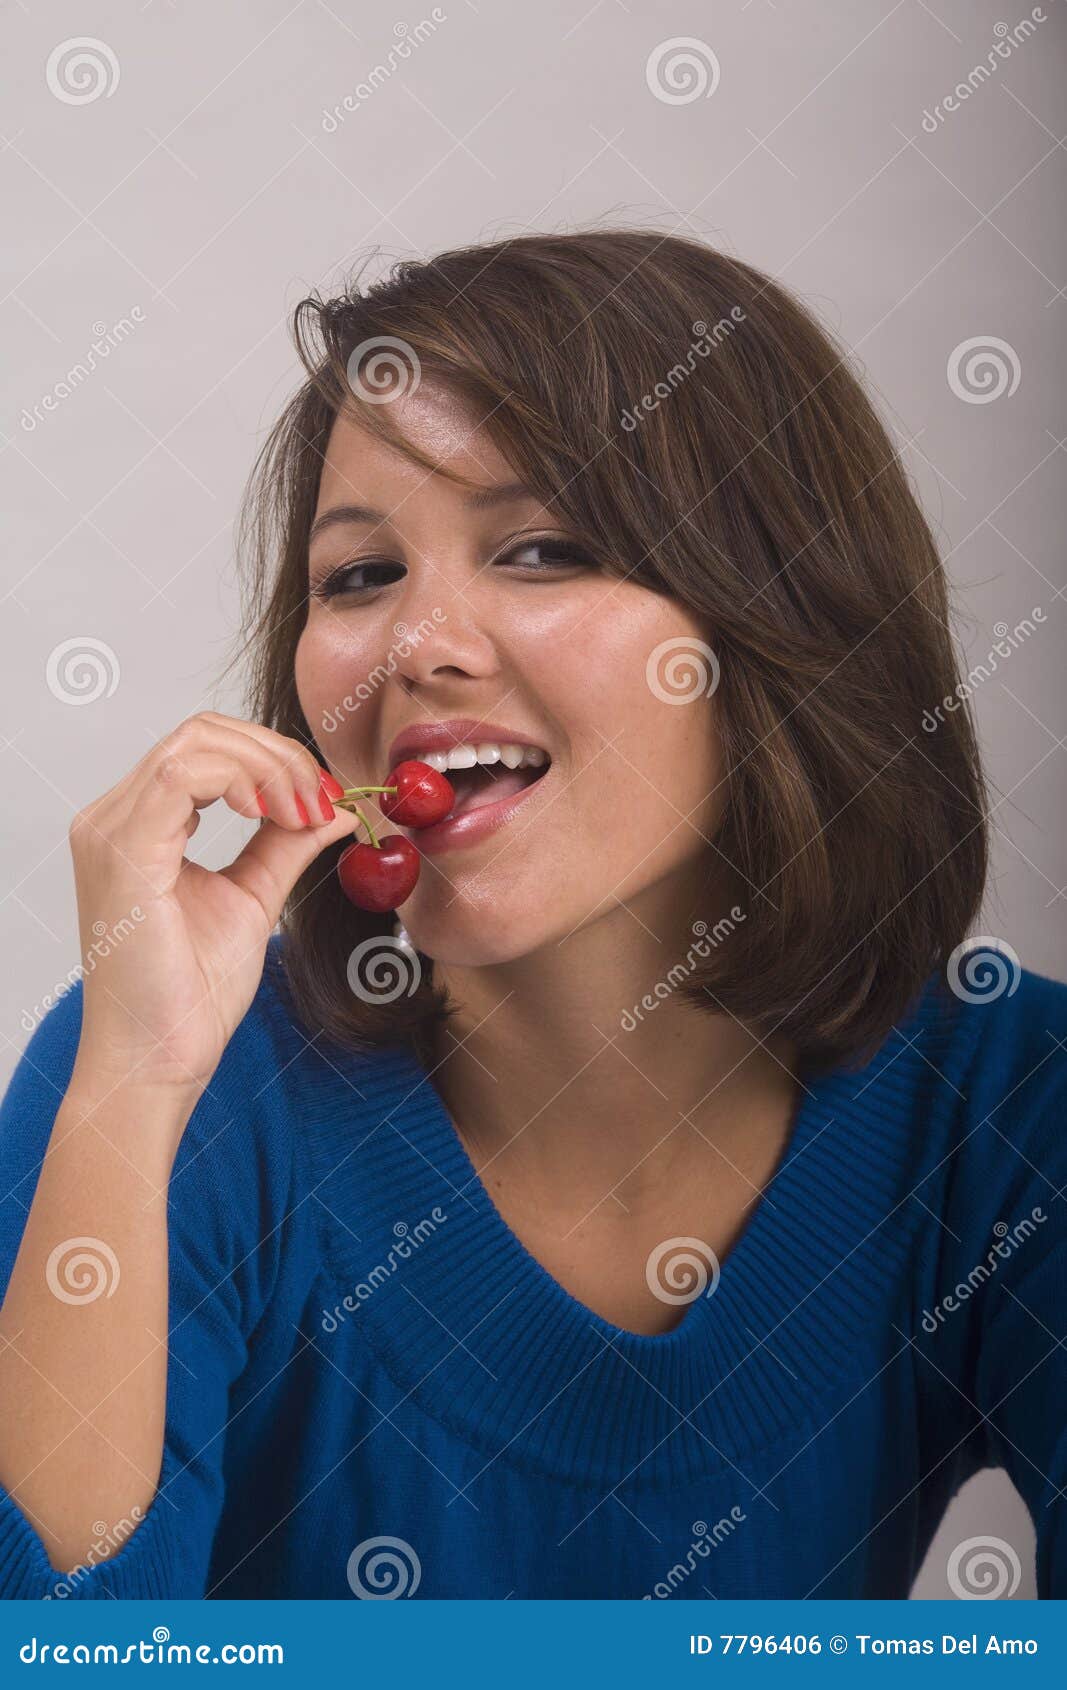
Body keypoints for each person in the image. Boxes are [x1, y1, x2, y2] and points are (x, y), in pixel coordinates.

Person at [0, 230, 1063, 1600]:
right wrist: (133, 1089)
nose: (418, 643)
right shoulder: (161, 1084)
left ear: (770, 620)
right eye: (359, 576)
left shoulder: (1008, 1102)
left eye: (545, 548)